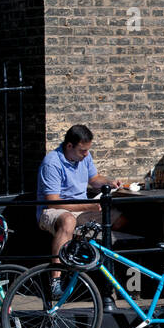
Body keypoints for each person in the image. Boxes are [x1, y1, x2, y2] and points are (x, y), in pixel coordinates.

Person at [37, 125, 125, 296]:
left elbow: (94, 179)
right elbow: (52, 202)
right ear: (69, 146)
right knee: (68, 220)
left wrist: (109, 183)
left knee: (121, 220)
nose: (86, 154)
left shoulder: (84, 156)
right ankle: (56, 279)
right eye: (82, 151)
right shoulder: (52, 162)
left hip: (83, 207)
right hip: (54, 210)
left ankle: (120, 278)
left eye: (87, 151)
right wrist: (87, 206)